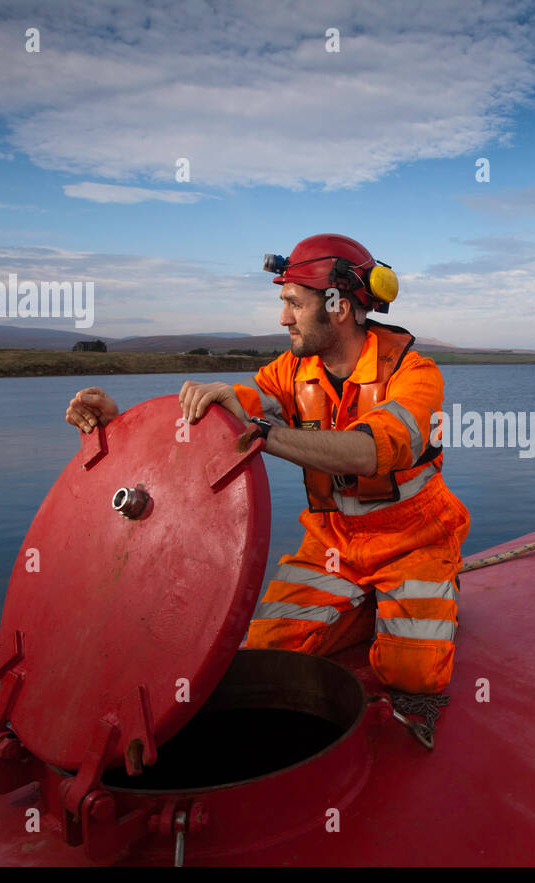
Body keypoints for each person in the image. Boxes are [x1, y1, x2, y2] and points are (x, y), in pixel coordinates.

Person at [65, 234, 470, 695]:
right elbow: (214, 422)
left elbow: (371, 452)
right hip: (332, 543)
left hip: (413, 542)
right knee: (266, 653)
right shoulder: (288, 373)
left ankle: (434, 587)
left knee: (412, 676)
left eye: (294, 303)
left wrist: (265, 435)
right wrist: (123, 425)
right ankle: (372, 606)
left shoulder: (415, 374)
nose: (283, 318)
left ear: (337, 306)